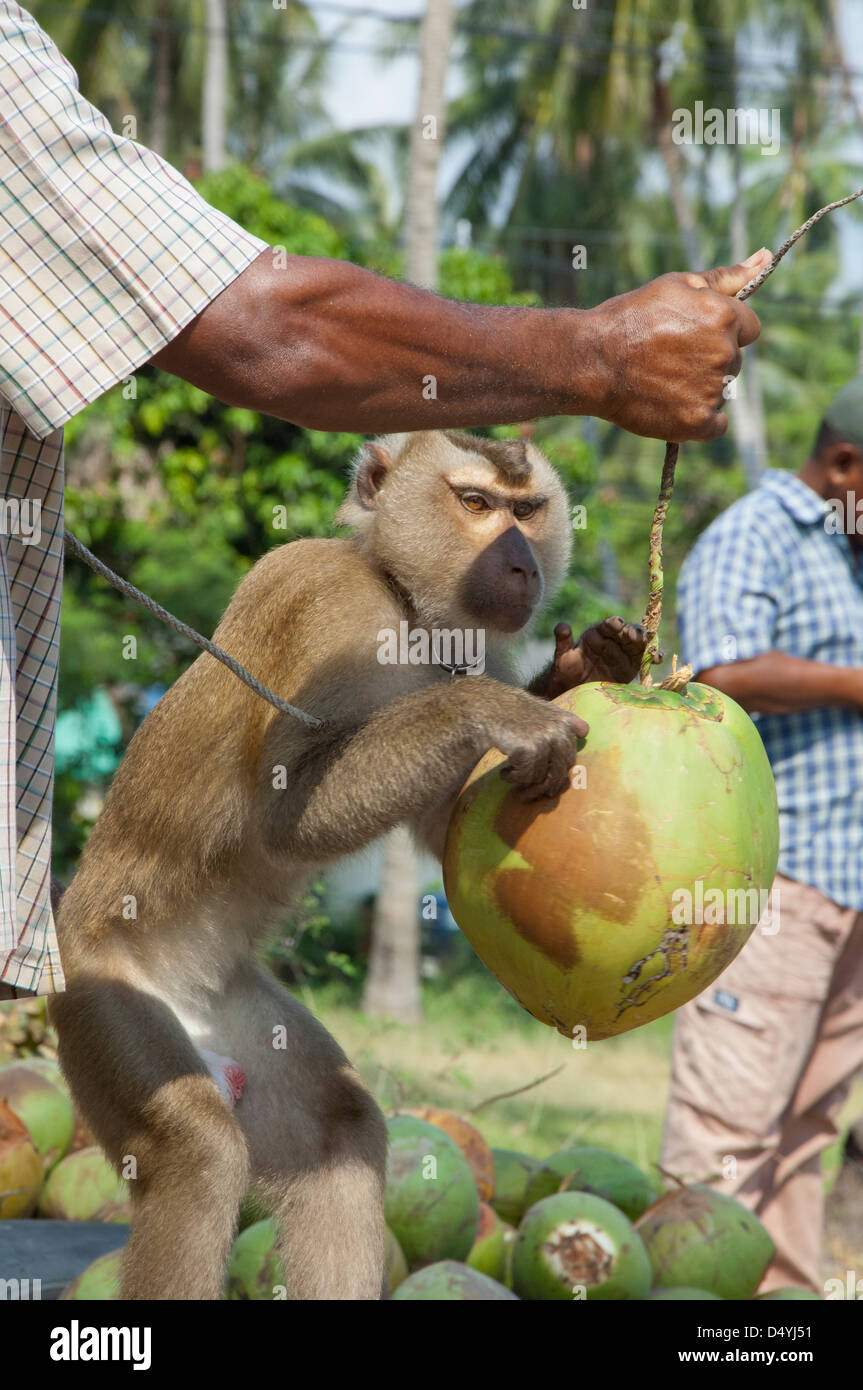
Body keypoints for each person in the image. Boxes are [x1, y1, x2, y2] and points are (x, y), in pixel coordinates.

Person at [0, 1, 768, 997]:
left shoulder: (450, 646)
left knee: (345, 1140)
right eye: (473, 502)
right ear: (378, 489)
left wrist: (550, 702)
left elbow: (446, 809)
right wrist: (597, 356)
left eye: (526, 511)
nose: (510, 539)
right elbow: (263, 327)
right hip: (136, 964)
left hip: (215, 970)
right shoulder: (325, 589)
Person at [661, 377, 863, 1294]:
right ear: (846, 464)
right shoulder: (759, 532)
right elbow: (718, 674)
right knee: (726, 1133)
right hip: (773, 889)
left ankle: (780, 1317)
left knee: (807, 1129)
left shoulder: (851, 554)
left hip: (849, 891)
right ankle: (696, 1302)